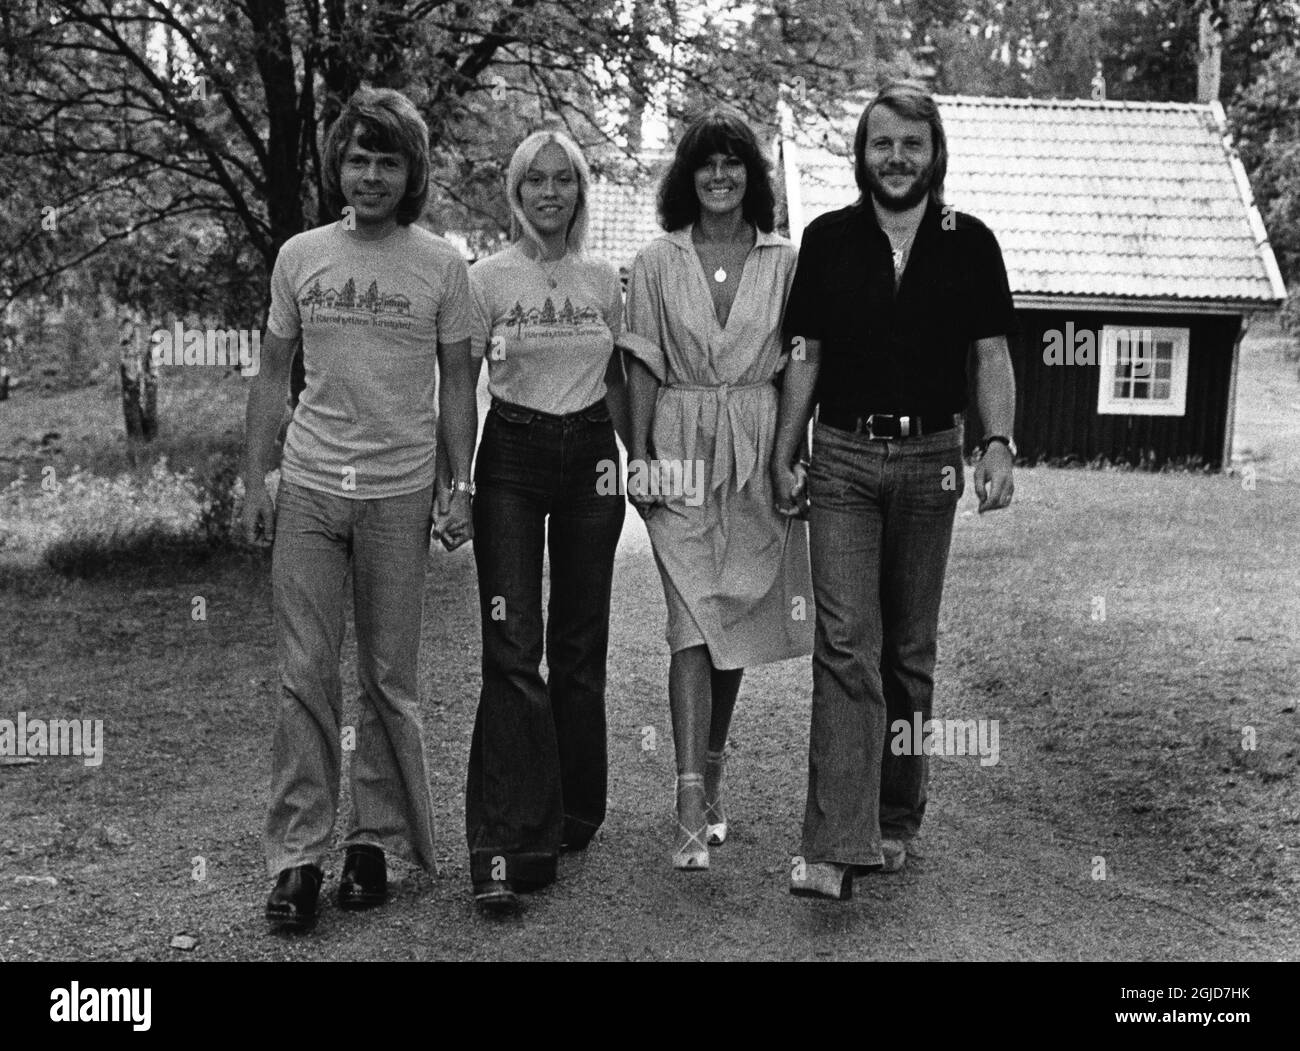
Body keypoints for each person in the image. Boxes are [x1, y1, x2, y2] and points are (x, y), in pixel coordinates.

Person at [773, 81, 1017, 900]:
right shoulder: (829, 238)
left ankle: (895, 812)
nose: (897, 159)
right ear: (862, 153)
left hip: (933, 460)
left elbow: (991, 356)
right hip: (841, 455)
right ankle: (837, 842)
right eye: (883, 144)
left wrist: (997, 443)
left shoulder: (970, 243)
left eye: (913, 144)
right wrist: (786, 449)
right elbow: (804, 352)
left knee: (908, 651)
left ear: (934, 153)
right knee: (845, 644)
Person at [241, 87, 478, 931]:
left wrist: (461, 485)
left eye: (389, 160)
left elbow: (459, 386)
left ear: (410, 172)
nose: (371, 174)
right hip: (308, 486)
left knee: (388, 676)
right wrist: (253, 479)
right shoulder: (299, 255)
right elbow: (272, 376)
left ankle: (372, 842)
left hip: (399, 492)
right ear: (337, 165)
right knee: (304, 673)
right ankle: (297, 859)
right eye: (358, 158)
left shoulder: (443, 266)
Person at [622, 109, 813, 872]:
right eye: (707, 163)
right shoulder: (656, 260)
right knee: (690, 623)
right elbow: (638, 361)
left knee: (730, 613)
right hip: (678, 448)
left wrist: (790, 451)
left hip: (756, 445)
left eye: (735, 163)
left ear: (753, 175)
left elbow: (802, 358)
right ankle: (689, 797)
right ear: (687, 175)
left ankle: (715, 766)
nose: (721, 176)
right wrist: (635, 453)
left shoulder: (787, 260)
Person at [456, 129, 631, 914]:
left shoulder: (603, 279)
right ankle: (507, 843)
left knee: (580, 643)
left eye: (564, 180)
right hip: (514, 458)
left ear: (580, 192)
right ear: (517, 191)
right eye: (536, 181)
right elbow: (458, 387)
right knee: (513, 642)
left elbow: (620, 376)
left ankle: (573, 810)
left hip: (593, 451)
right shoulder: (485, 279)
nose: (550, 193)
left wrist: (646, 458)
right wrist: (456, 483)